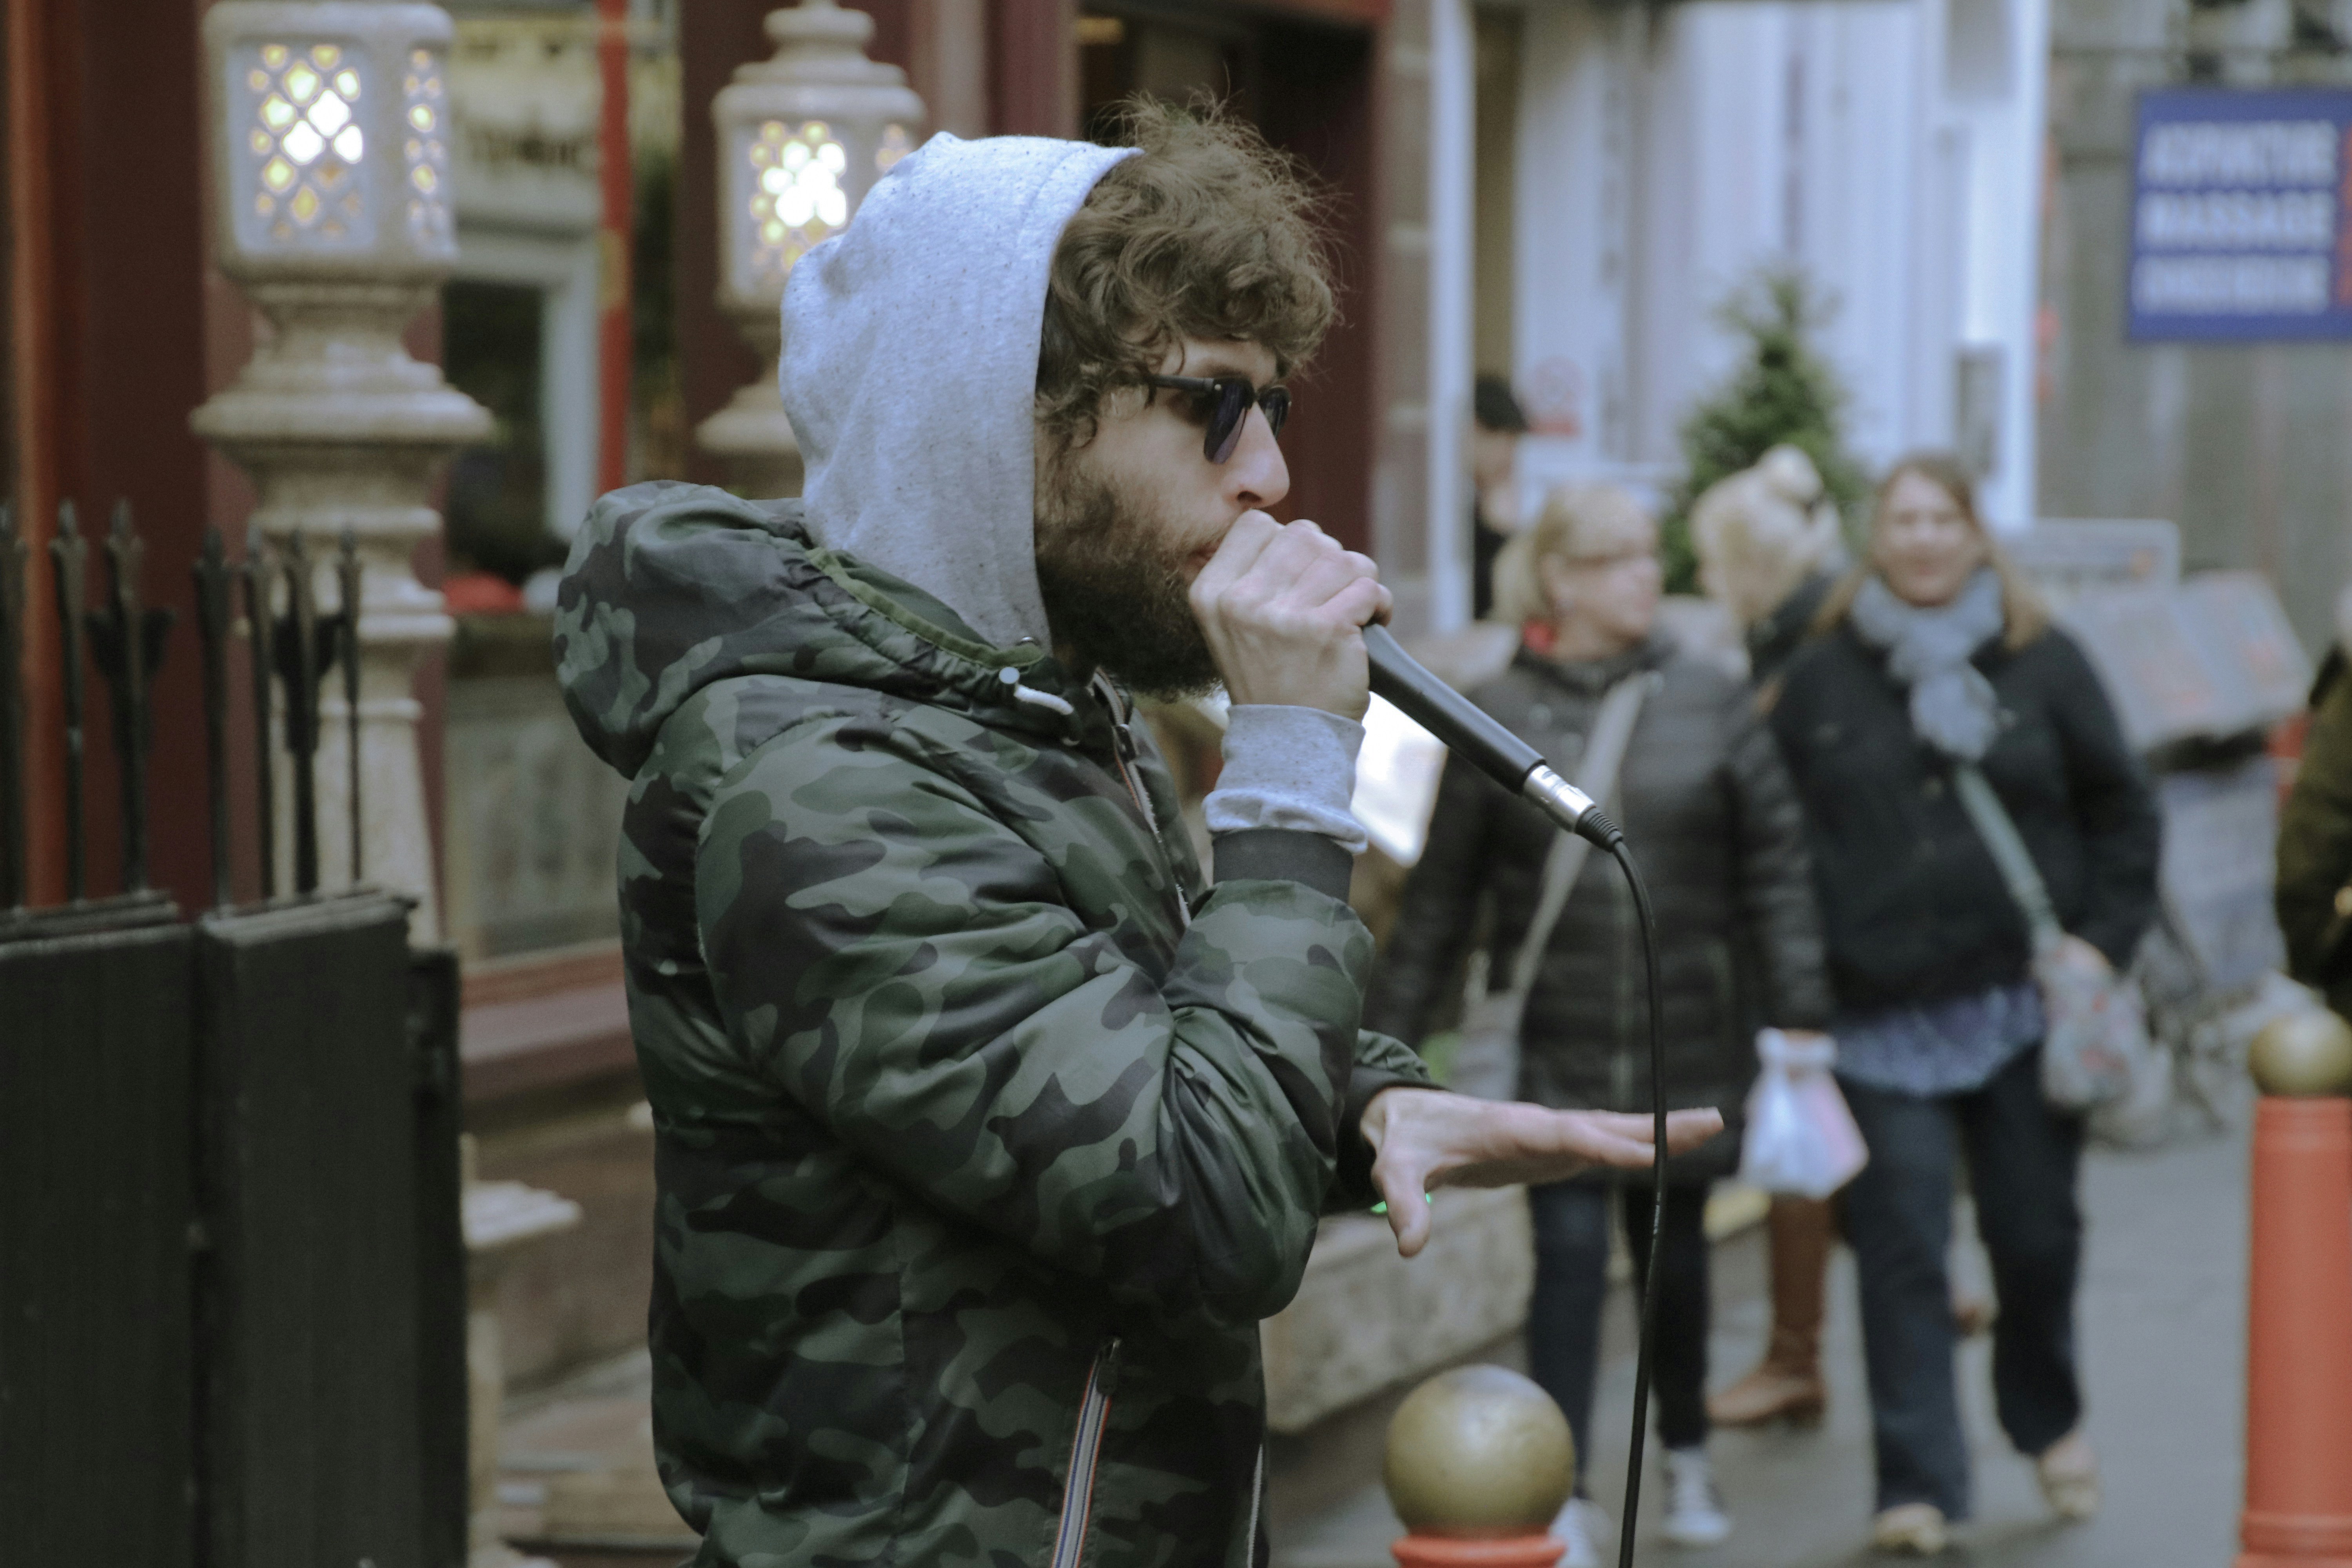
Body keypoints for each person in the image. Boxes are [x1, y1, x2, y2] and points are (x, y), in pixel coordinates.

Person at [553, 106, 1719, 1568]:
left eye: (1275, 411)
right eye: (1213, 407)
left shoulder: (1025, 706)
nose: (1270, 479)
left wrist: (1359, 1111)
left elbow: (1128, 1031)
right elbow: (1200, 1202)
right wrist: (1291, 770)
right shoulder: (815, 786)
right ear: (1000, 410)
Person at [1367, 483, 1831, 1564]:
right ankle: (1563, 1486)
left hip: (1688, 1038)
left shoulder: (1710, 696)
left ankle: (1684, 1453)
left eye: (1647, 556)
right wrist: (1378, 1055)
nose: (1644, 576)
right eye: (1617, 558)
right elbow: (1442, 900)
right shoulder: (1494, 709)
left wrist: (1800, 1020)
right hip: (1557, 1051)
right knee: (1569, 1261)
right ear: (1561, 577)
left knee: (1675, 1265)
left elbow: (1777, 870)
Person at [1769, 454, 2160, 1555]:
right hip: (1878, 1017)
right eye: (1906, 520)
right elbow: (1781, 846)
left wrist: (2102, 945)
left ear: (1978, 534)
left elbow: (2126, 812)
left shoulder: (2044, 660)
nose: (1927, 538)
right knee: (1902, 1254)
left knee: (2036, 1239)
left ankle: (2049, 1417)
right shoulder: (1822, 680)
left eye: (1946, 519)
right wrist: (1795, 993)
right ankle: (1919, 1485)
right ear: (1876, 538)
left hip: (2021, 1010)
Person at [1687, 445, 1845, 1430]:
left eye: (1711, 561)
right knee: (1821, 1128)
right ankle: (1900, 1282)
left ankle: (1796, 1353)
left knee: (1801, 1135)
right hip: (1821, 925)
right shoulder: (1798, 635)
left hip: (1818, 931)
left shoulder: (1806, 655)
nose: (1703, 582)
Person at [1471, 375, 1529, 621]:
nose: (1508, 455)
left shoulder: (1488, 499)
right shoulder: (1441, 505)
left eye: (1514, 444)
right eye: (1501, 440)